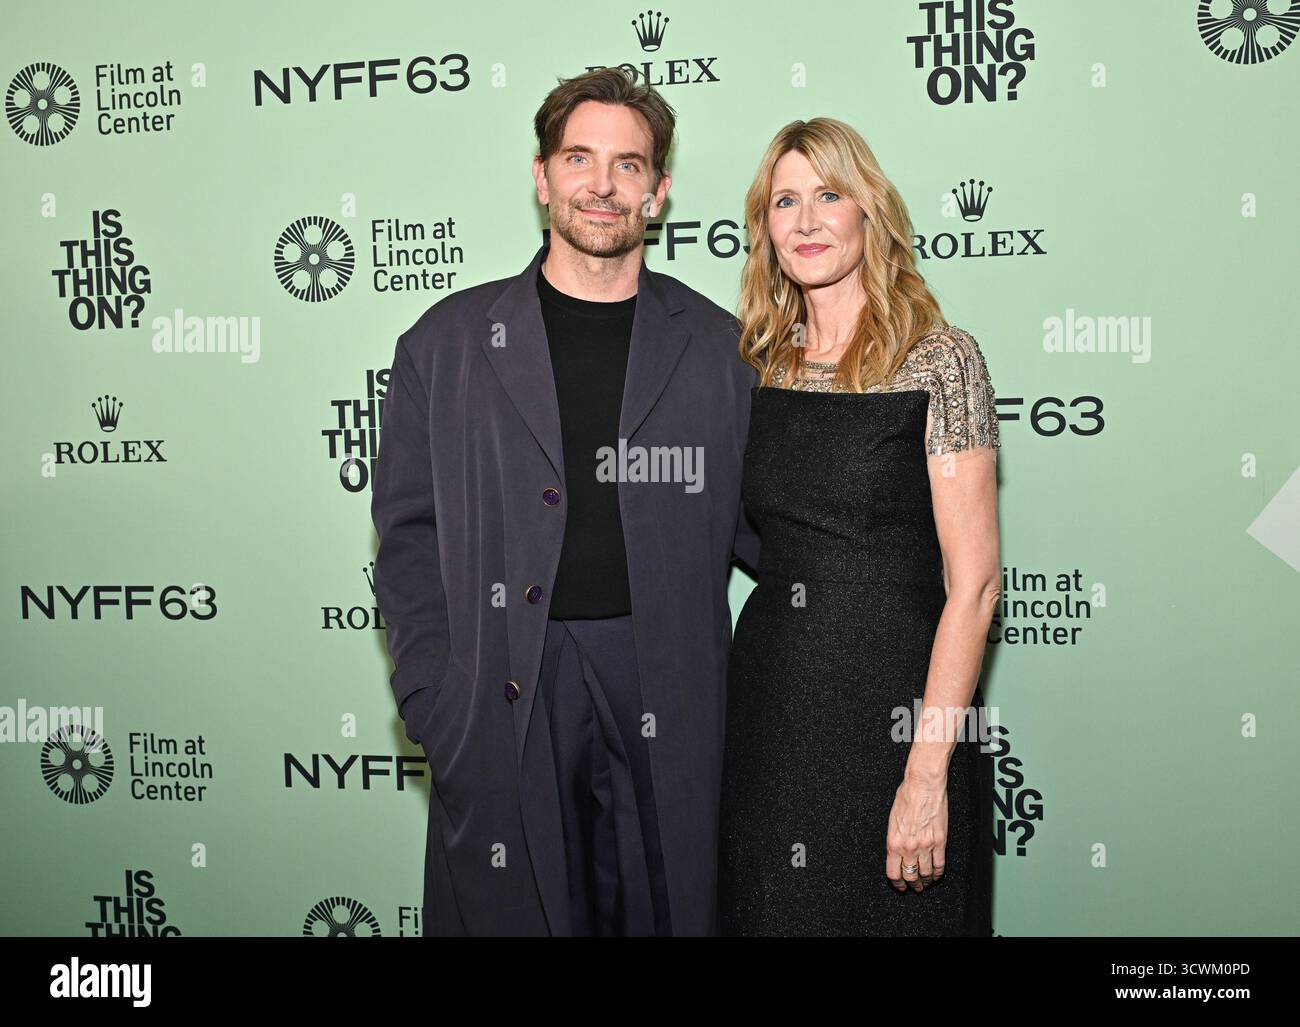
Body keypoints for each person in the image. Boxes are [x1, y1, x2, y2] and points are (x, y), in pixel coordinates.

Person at [370, 67, 760, 936]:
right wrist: (437, 698)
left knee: (673, 909)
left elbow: (776, 537)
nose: (602, 184)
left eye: (629, 165)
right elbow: (406, 538)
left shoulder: (719, 350)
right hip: (508, 680)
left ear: (658, 193)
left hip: (667, 682)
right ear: (542, 176)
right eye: (579, 157)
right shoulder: (447, 343)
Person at [718, 117, 1000, 936]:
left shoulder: (940, 360)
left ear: (869, 213)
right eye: (785, 202)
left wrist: (924, 775)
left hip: (900, 719)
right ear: (765, 228)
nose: (806, 221)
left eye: (828, 196)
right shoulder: (757, 363)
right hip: (774, 714)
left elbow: (975, 586)